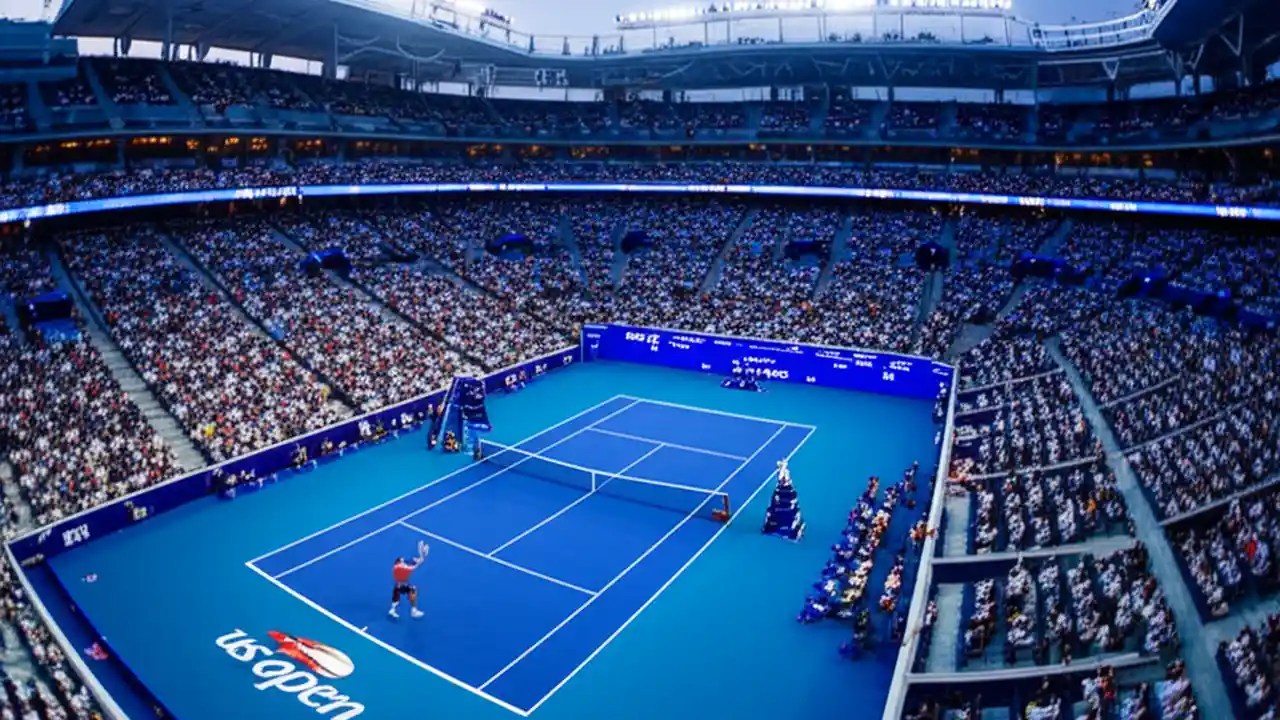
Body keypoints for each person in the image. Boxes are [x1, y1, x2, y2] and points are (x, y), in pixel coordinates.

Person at [389, 552, 426, 619]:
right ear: (399, 562)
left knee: (396, 596)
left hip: (399, 584)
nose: (404, 562)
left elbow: (411, 561)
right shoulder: (399, 568)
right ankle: (413, 611)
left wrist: (420, 557)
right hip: (401, 585)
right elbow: (412, 567)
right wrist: (421, 559)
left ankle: (392, 609)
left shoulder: (398, 566)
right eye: (402, 561)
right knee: (412, 590)